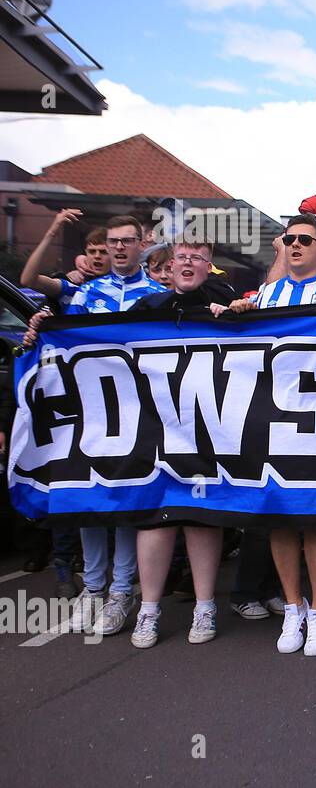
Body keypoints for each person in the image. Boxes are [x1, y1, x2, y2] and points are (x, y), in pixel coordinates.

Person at [222, 213, 316, 656]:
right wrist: (235, 316)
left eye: (305, 239)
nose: (296, 245)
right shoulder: (266, 294)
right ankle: (294, 606)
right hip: (273, 418)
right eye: (289, 239)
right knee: (280, 516)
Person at [51, 215, 169, 637]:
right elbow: (61, 340)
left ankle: (122, 592)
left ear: (142, 246)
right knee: (89, 497)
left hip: (137, 414)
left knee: (125, 502)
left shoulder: (159, 295)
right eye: (113, 242)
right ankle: (92, 587)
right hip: (90, 412)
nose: (119, 248)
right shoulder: (86, 292)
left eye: (126, 242)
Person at [127, 238, 238, 647]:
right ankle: (148, 609)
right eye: (182, 258)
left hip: (207, 428)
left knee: (201, 514)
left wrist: (231, 316)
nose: (189, 263)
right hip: (155, 428)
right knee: (155, 514)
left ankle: (205, 605)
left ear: (209, 269)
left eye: (198, 259)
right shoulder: (145, 309)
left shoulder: (223, 305)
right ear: (168, 268)